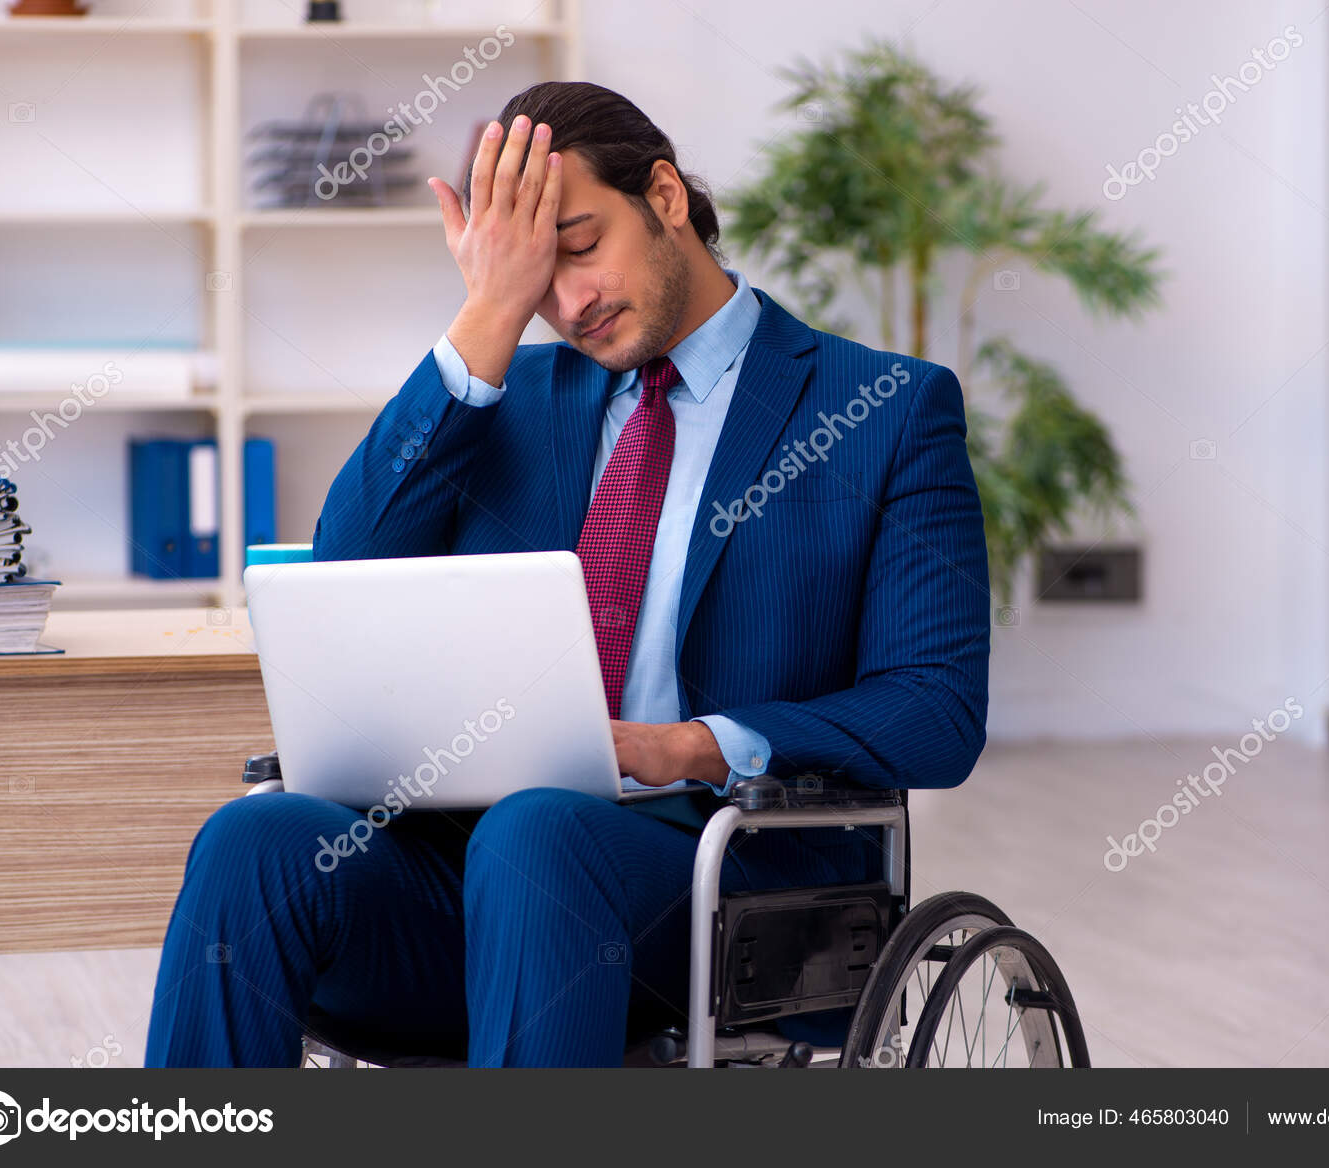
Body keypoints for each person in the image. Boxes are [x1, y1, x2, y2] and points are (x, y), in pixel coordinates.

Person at [145, 81, 989, 1068]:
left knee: (539, 831)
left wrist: (692, 745)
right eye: (536, 277)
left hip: (719, 892)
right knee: (255, 844)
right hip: (466, 880)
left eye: (579, 246)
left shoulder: (881, 409)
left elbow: (933, 709)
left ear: (666, 196)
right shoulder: (504, 396)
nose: (570, 302)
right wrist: (487, 318)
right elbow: (346, 573)